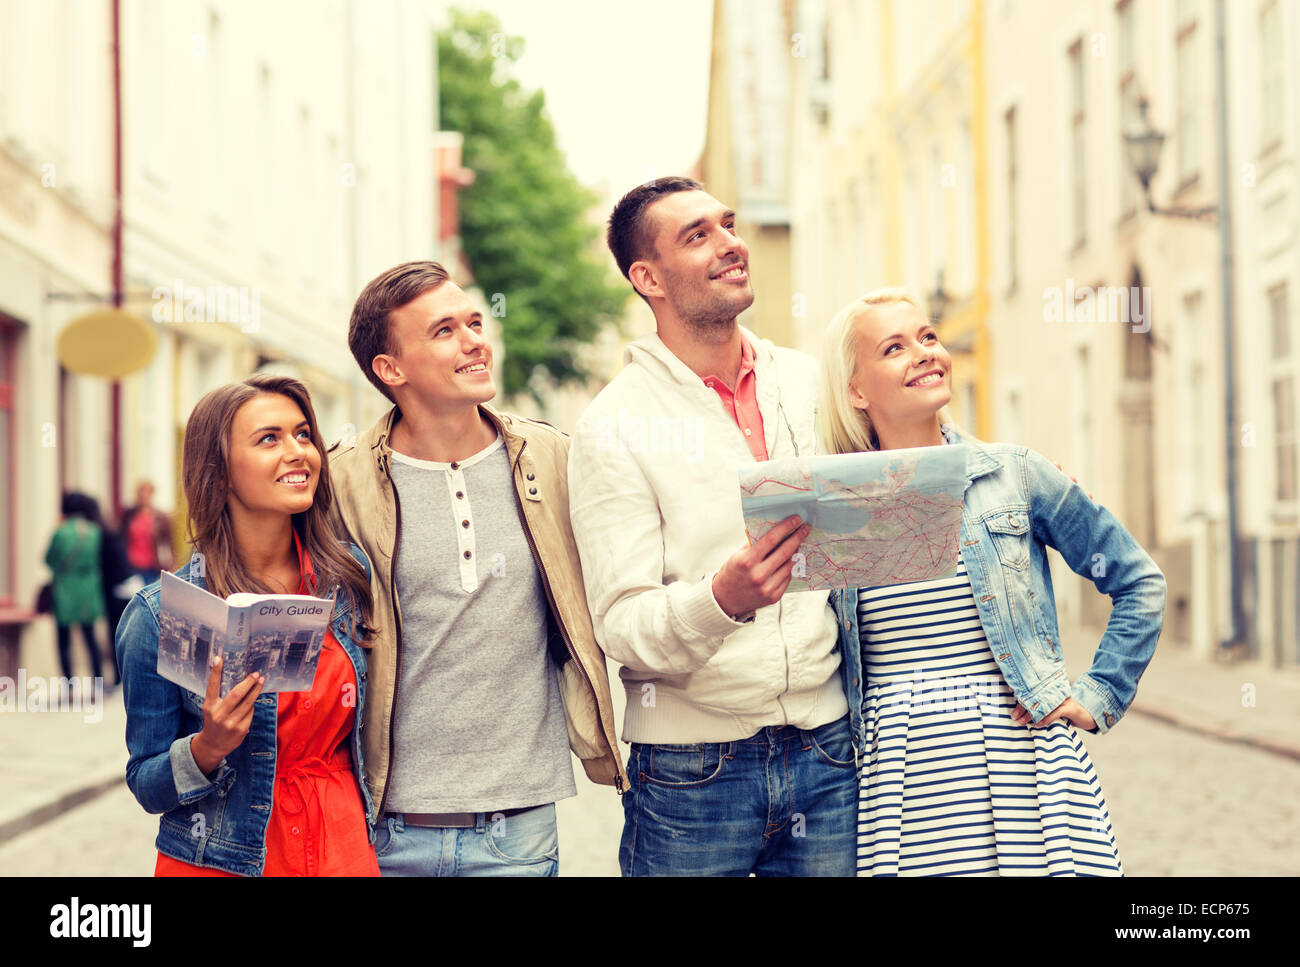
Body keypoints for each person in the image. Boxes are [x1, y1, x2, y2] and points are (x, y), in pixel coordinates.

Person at [566, 176, 864, 876]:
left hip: (827, 749)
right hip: (692, 773)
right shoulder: (613, 425)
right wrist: (721, 599)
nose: (731, 244)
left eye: (727, 225)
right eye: (697, 236)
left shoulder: (807, 381)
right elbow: (620, 622)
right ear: (648, 278)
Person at [820, 288, 1167, 876]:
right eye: (894, 347)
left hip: (1024, 766)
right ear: (855, 389)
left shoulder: (1015, 475)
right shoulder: (835, 506)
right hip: (901, 781)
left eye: (927, 337)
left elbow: (1138, 581)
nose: (924, 353)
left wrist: (1097, 695)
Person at [328, 259, 626, 877]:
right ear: (390, 369)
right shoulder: (342, 480)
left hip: (516, 831)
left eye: (473, 322)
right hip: (382, 828)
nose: (474, 342)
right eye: (444, 331)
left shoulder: (550, 458)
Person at [115, 374, 379, 877]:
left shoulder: (347, 577)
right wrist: (207, 747)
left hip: (340, 849)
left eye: (303, 435)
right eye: (269, 439)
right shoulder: (163, 614)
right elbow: (145, 782)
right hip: (222, 860)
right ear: (219, 475)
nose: (298, 451)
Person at [44, 492, 105, 685]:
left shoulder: (61, 532)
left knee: (64, 640)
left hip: (65, 588)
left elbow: (48, 560)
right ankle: (98, 683)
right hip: (88, 587)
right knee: (90, 638)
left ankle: (69, 684)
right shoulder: (95, 532)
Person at [120, 481, 173, 585]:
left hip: (152, 564)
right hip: (132, 564)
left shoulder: (160, 517)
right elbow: (122, 537)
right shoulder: (130, 515)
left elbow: (168, 542)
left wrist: (170, 564)